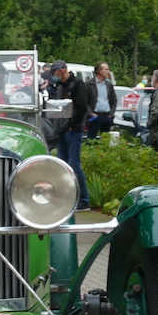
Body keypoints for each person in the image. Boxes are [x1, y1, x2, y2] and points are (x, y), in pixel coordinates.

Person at [50, 60, 91, 211]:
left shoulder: (77, 84)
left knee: (74, 164)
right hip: (61, 128)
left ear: (61, 71)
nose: (53, 76)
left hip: (73, 129)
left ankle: (84, 200)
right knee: (62, 164)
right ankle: (67, 197)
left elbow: (81, 106)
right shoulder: (60, 85)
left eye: (54, 73)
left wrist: (73, 125)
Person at [85, 62, 117, 139]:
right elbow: (84, 102)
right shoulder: (89, 84)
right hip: (95, 117)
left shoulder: (109, 85)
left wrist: (111, 114)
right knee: (91, 140)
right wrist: (91, 113)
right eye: (106, 69)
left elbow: (114, 100)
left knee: (106, 141)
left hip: (107, 116)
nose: (108, 72)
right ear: (99, 71)